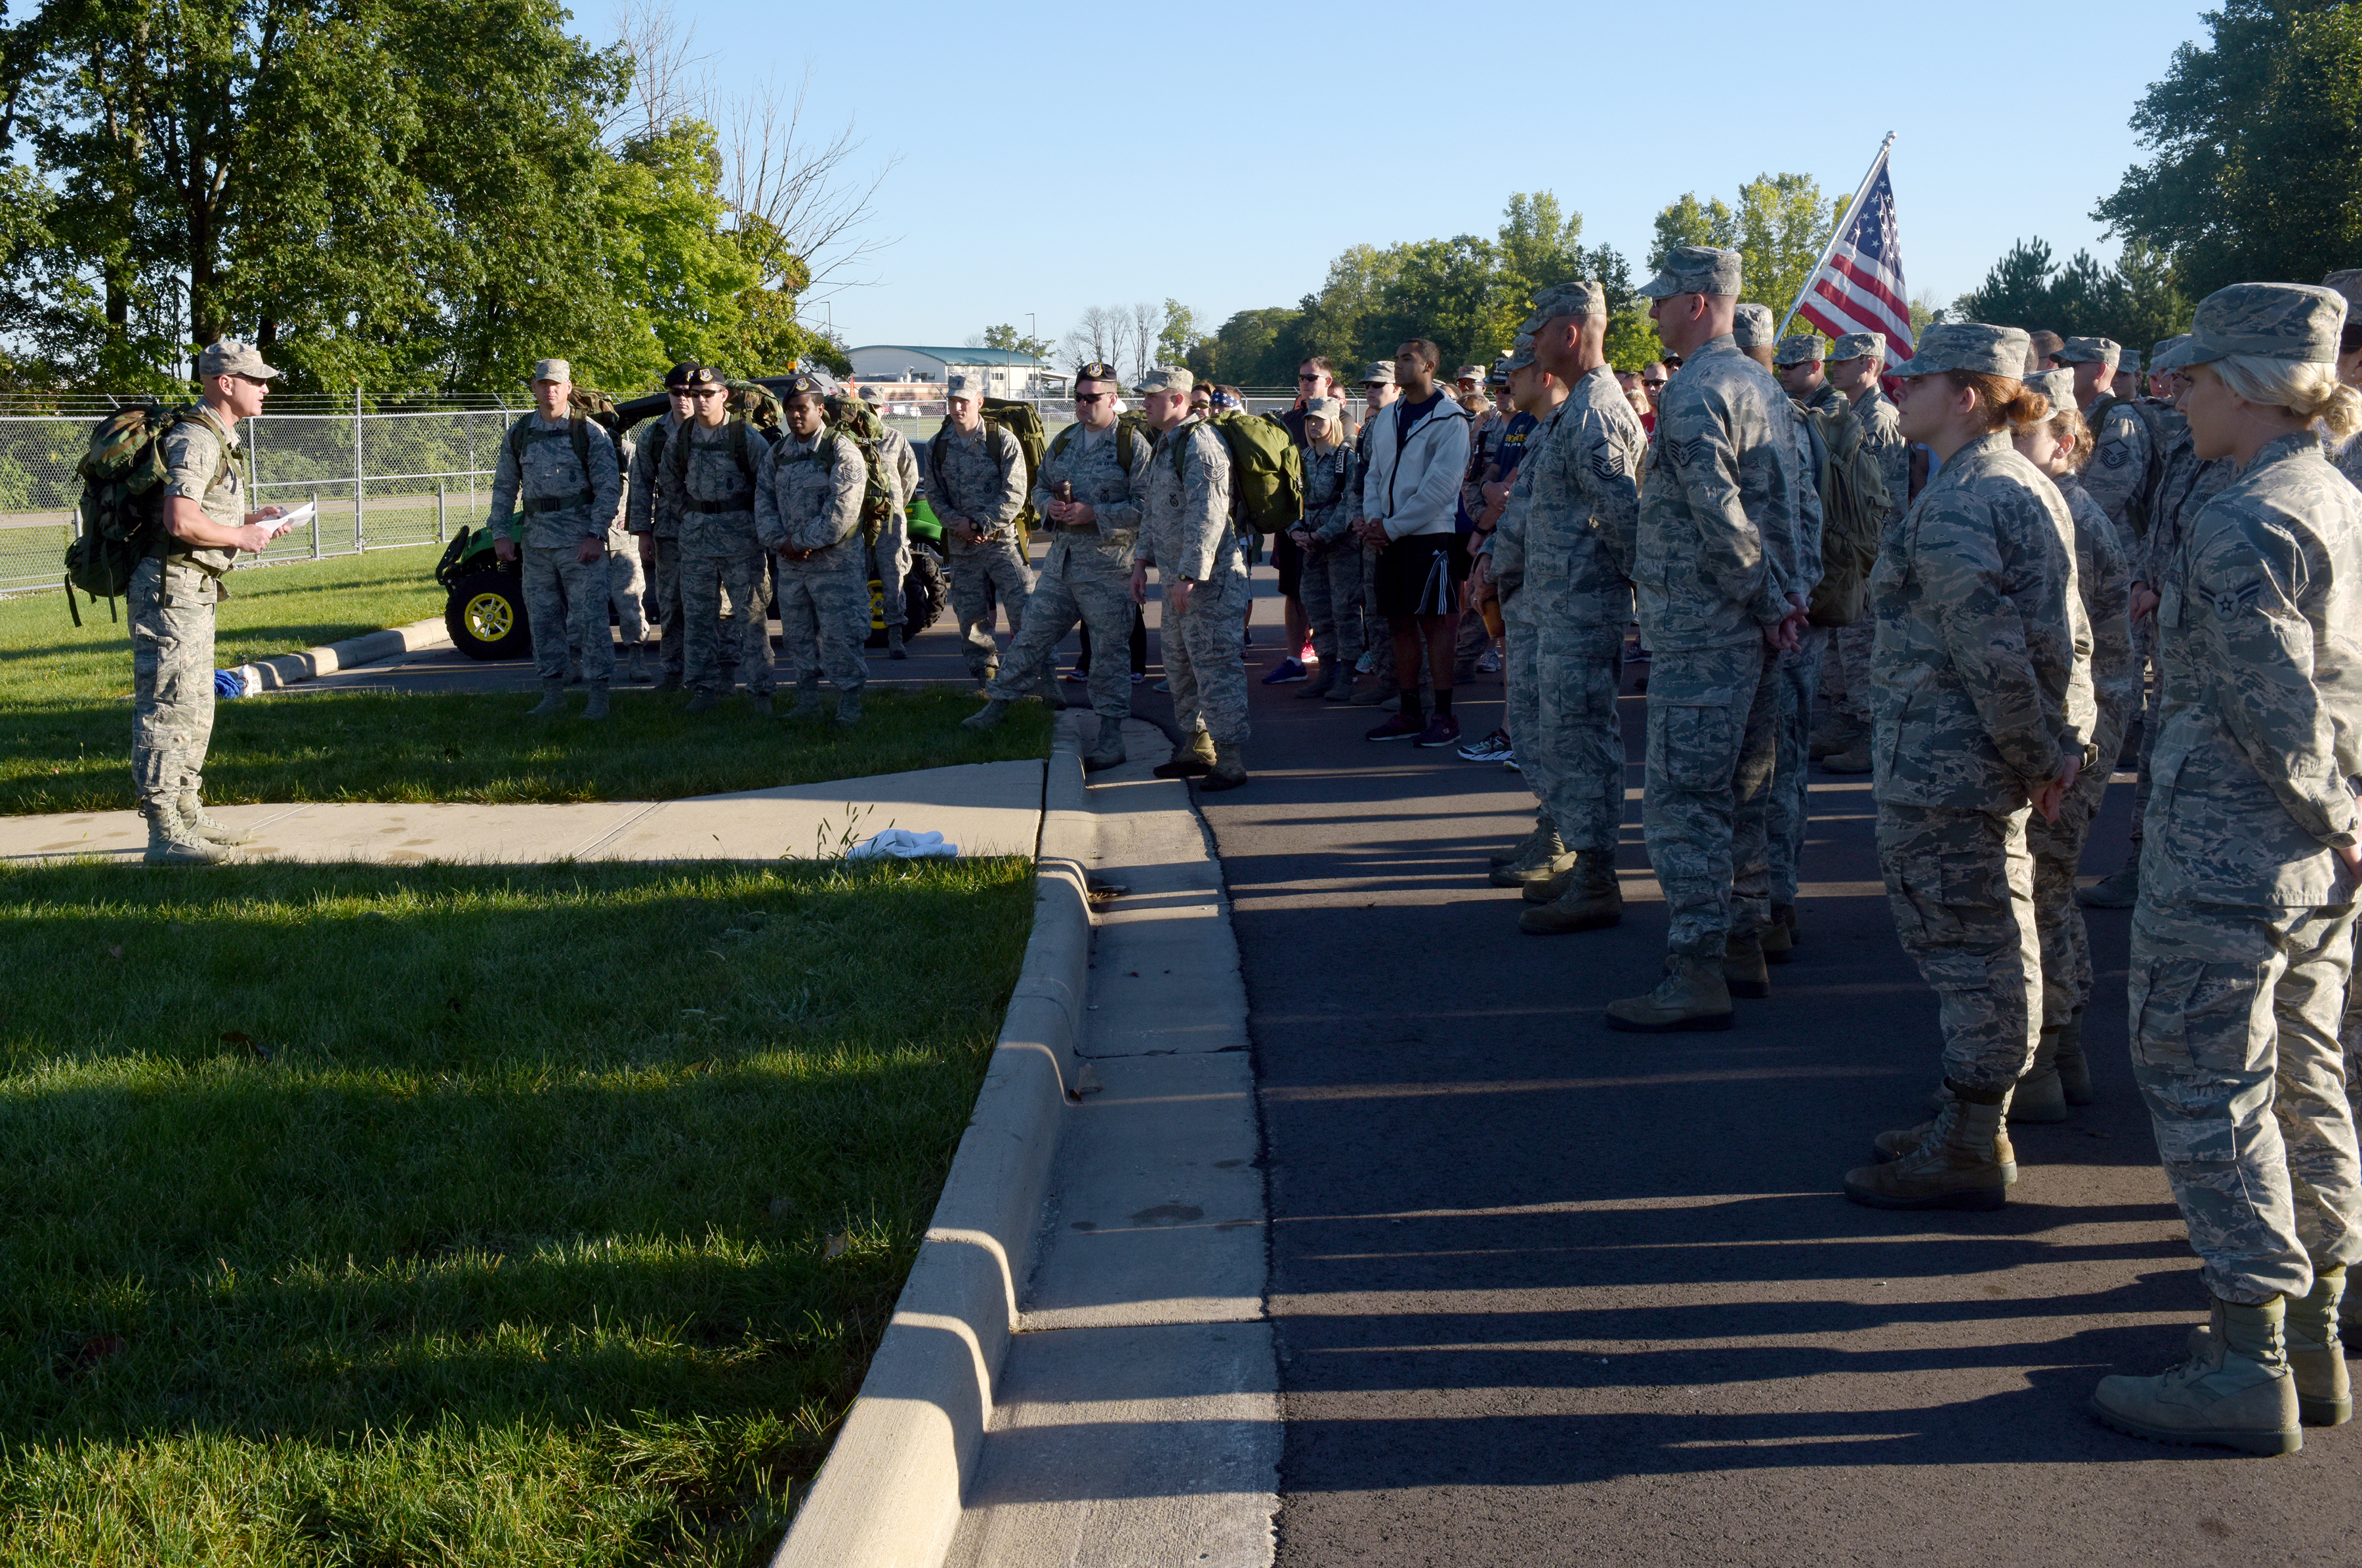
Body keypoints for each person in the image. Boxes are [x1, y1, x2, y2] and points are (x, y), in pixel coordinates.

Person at [2087, 282, 2362, 1456]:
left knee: (2215, 1094)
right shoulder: (2335, 496)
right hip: (2311, 866)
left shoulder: (2244, 516)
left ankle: (2250, 1361)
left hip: (2233, 856)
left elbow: (2274, 705)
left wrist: (2338, 816)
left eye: (2195, 377)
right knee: (2306, 1082)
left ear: (2250, 388)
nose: (2179, 395)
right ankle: (2315, 1337)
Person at [1842, 323, 2091, 1212]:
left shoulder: (1967, 498)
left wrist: (2039, 757)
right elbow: (2064, 638)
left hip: (1950, 767)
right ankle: (1971, 1118)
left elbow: (1994, 653)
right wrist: (2054, 751)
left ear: (1967, 396)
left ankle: (1972, 1140)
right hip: (1970, 761)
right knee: (1985, 938)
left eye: (1917, 380)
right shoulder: (2014, 482)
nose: (1898, 390)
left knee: (1969, 948)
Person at [1606, 249, 1804, 1031]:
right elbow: (1790, 507)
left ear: (1696, 303)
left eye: (1662, 300)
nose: (1652, 312)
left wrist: (1766, 599)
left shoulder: (1696, 391)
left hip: (1706, 627)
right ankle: (1742, 943)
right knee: (1745, 794)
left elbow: (1723, 519)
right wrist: (1785, 602)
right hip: (1753, 625)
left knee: (1685, 802)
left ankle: (1695, 969)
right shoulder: (1761, 384)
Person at [1491, 285, 1643, 934]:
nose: (1531, 344)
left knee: (1584, 741)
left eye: (1540, 331)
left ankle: (1597, 877)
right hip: (1556, 607)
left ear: (1571, 334)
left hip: (1583, 611)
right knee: (1563, 738)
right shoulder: (1575, 409)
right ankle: (1581, 861)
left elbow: (1627, 524)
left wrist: (1640, 607)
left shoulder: (1597, 413)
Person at [2007, 367, 2132, 1121]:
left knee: (2041, 891)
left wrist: (2050, 745)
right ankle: (2063, 1054)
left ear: (2064, 438)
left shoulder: (2064, 512)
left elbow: (2061, 649)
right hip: (2079, 723)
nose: (2009, 443)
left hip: (2073, 729)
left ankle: (2044, 1059)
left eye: (2024, 432)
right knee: (2050, 890)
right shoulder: (2055, 502)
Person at [131, 339, 285, 865]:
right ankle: (164, 832)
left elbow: (200, 512)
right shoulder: (196, 438)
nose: (265, 389)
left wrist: (250, 521)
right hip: (169, 592)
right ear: (226, 383)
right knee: (168, 706)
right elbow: (180, 521)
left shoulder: (218, 437)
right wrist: (240, 537)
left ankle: (188, 813)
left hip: (193, 591)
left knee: (196, 706)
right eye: (256, 380)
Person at [966, 361, 1149, 771]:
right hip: (1062, 566)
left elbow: (1147, 506)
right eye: (1078, 397)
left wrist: (1095, 513)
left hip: (1109, 569)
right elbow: (1039, 487)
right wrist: (1049, 505)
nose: (1083, 405)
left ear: (1113, 399)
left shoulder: (1131, 444)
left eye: (1092, 398)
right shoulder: (1066, 440)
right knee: (1031, 637)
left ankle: (1111, 735)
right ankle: (996, 707)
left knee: (1109, 654)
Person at [1130, 367, 1250, 790]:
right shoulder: (1166, 443)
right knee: (1180, 666)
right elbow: (1154, 510)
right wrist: (1141, 561)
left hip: (1210, 584)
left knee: (1215, 668)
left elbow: (1209, 514)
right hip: (1177, 582)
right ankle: (1197, 747)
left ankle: (1230, 759)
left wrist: (1190, 574)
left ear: (1178, 400)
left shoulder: (1202, 444)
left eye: (1152, 396)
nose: (1145, 403)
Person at [1356, 339, 1474, 747]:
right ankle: (1409, 711)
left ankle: (1444, 716)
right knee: (1399, 623)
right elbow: (1374, 473)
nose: (1398, 365)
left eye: (1408, 358)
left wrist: (1392, 527)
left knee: (1437, 625)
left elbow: (1441, 488)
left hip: (1430, 536)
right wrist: (1376, 520)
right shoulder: (1388, 417)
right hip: (1390, 535)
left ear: (1430, 365)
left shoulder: (1451, 418)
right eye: (1397, 358)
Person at [489, 358, 621, 720]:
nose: (550, 390)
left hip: (580, 544)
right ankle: (553, 693)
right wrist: (501, 533)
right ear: (534, 388)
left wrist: (596, 535)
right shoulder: (520, 433)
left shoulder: (588, 432)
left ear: (568, 388)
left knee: (591, 619)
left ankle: (599, 696)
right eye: (543, 384)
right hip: (537, 544)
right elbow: (504, 487)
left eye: (556, 384)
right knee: (543, 619)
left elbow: (608, 489)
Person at [1815, 332, 1913, 774]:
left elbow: (1885, 498)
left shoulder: (1881, 419)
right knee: (1841, 641)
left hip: (1870, 552)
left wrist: (1879, 558)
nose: (1835, 367)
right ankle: (1845, 720)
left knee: (1862, 644)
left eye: (1845, 360)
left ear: (1870, 364)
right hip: (1845, 548)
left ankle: (1870, 732)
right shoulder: (1850, 414)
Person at [756, 373, 869, 724]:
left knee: (841, 635)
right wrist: (780, 542)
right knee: (797, 635)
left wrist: (799, 542)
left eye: (802, 408)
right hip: (792, 566)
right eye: (790, 409)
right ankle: (807, 700)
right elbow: (763, 503)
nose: (795, 415)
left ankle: (849, 702)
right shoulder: (778, 453)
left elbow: (842, 513)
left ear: (820, 409)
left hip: (836, 566)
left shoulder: (841, 451)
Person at [663, 363, 776, 714]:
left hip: (741, 542)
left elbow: (767, 487)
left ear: (724, 395)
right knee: (698, 620)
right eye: (694, 394)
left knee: (752, 619)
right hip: (697, 542)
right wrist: (689, 515)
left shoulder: (745, 437)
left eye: (708, 394)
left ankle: (761, 692)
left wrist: (757, 528)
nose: (700, 401)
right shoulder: (682, 438)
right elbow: (669, 481)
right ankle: (704, 689)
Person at [928, 371, 1033, 689]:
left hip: (1002, 544)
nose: (957, 407)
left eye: (964, 401)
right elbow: (935, 495)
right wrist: (959, 525)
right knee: (972, 620)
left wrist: (980, 524)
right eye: (952, 401)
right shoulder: (938, 446)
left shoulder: (1002, 440)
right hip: (963, 548)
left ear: (979, 402)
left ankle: (1039, 681)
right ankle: (986, 681)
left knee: (1027, 612)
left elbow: (1015, 493)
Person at [1266, 357, 1342, 686]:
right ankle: (1295, 660)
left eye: (1312, 377)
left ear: (1328, 381)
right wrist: (1292, 527)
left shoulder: (1343, 420)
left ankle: (1337, 664)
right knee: (1293, 592)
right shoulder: (1288, 422)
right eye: (1301, 378)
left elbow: (1349, 485)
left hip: (1330, 530)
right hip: (1294, 525)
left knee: (1335, 598)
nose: (1305, 383)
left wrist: (1325, 531)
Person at [625, 367, 698, 690]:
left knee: (715, 606)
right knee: (671, 605)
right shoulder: (654, 434)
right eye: (676, 393)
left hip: (713, 531)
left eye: (689, 392)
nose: (683, 399)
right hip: (670, 532)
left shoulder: (718, 429)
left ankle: (712, 676)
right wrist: (643, 533)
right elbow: (641, 485)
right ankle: (672, 673)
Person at [1290, 395, 1364, 703]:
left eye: (1319, 419)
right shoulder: (1303, 457)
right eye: (1309, 419)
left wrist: (1322, 535)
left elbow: (1351, 503)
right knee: (1318, 610)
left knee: (1344, 609)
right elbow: (1292, 498)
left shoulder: (1347, 458)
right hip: (1310, 544)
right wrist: (1295, 531)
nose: (1313, 424)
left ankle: (1347, 674)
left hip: (1339, 544)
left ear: (1333, 422)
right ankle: (1326, 671)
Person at [863, 386, 922, 660]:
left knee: (893, 577)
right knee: (855, 578)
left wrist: (895, 504)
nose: (869, 412)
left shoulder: (895, 439)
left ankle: (896, 636)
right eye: (864, 407)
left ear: (883, 409)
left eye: (874, 407)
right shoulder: (848, 441)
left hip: (889, 523)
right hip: (859, 523)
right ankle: (857, 634)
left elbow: (910, 478)